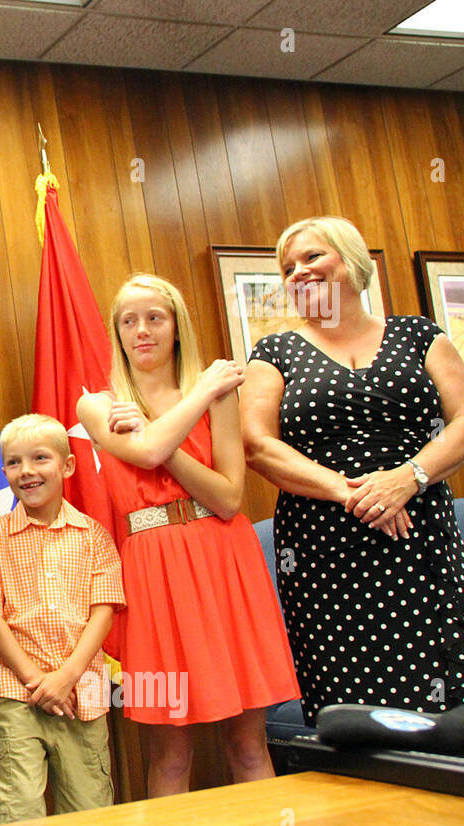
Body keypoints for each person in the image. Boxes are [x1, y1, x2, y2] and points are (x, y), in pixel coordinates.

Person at [243, 216, 464, 723]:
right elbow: (257, 445)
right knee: (347, 713)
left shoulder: (420, 335)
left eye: (312, 257)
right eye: (288, 268)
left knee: (448, 711)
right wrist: (353, 492)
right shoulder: (274, 352)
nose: (298, 273)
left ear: (352, 261)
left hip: (420, 539)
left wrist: (406, 479)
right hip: (322, 548)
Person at [77, 274, 300, 798]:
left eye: (155, 317)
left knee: (248, 743)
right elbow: (145, 455)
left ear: (177, 326)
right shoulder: (98, 404)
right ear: (117, 334)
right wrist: (181, 411)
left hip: (224, 561)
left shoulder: (217, 394)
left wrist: (164, 425)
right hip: (152, 571)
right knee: (171, 751)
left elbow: (226, 498)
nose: (142, 330)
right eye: (129, 321)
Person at [0, 414, 124, 823]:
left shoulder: (93, 535)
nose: (27, 471)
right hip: (19, 692)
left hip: (81, 696)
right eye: (14, 463)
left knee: (89, 813)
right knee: (19, 809)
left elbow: (104, 611)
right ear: (4, 473)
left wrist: (65, 677)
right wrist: (37, 680)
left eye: (39, 458)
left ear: (67, 466)